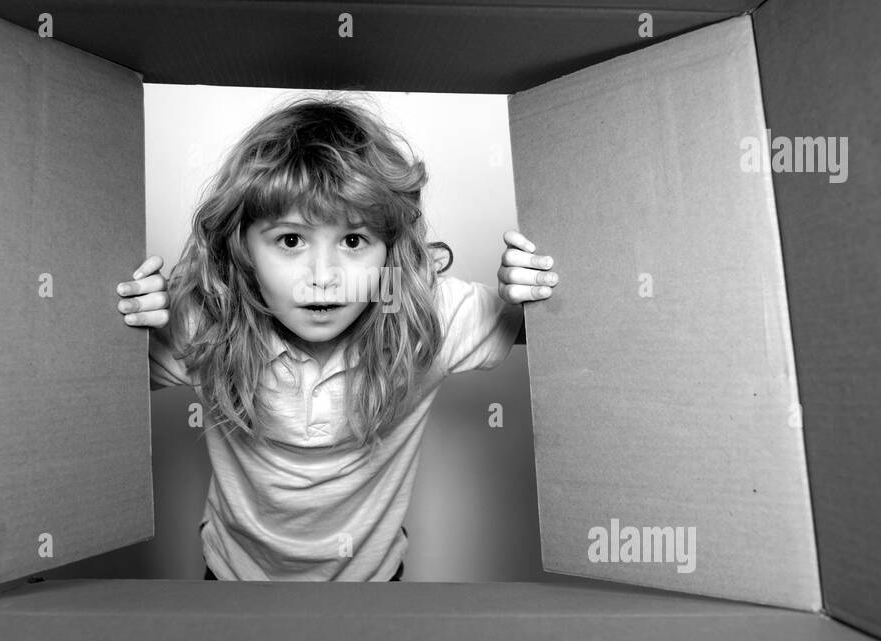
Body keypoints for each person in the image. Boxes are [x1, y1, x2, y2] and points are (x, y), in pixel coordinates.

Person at [116, 94, 557, 581]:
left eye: (352, 241)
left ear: (390, 248)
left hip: (372, 585)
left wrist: (526, 294)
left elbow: (557, 329)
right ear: (241, 247)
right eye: (290, 240)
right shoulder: (208, 320)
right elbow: (91, 379)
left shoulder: (420, 316)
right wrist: (130, 324)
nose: (322, 277)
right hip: (231, 580)